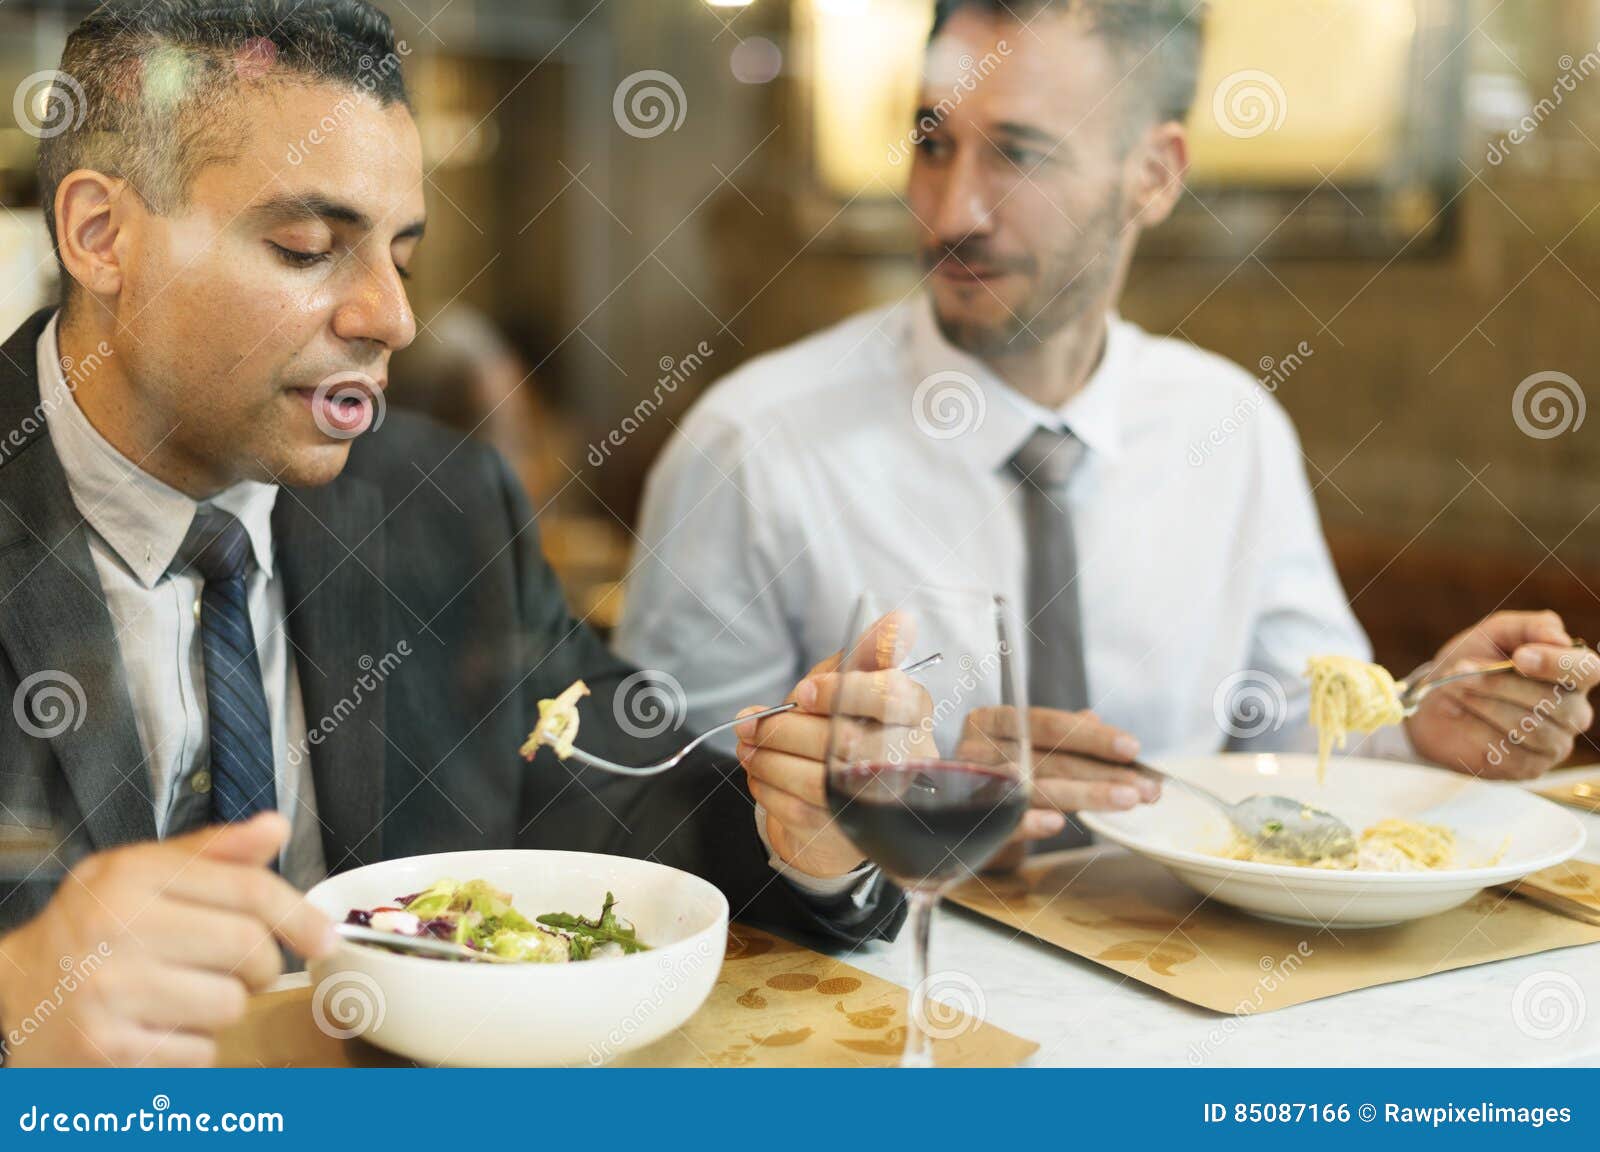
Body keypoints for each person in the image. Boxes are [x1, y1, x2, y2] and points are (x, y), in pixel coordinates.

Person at [0, 0, 906, 1068]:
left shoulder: (443, 501)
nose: (391, 318)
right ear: (101, 235)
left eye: (403, 257)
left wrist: (812, 834)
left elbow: (625, 806)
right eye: (306, 247)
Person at [618, 0, 1599, 878]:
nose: (953, 211)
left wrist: (1429, 732)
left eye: (1017, 152)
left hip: (1198, 1004)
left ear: (1154, 173)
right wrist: (878, 835)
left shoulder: (1231, 427)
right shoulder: (749, 444)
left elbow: (1303, 749)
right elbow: (654, 816)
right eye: (931, 142)